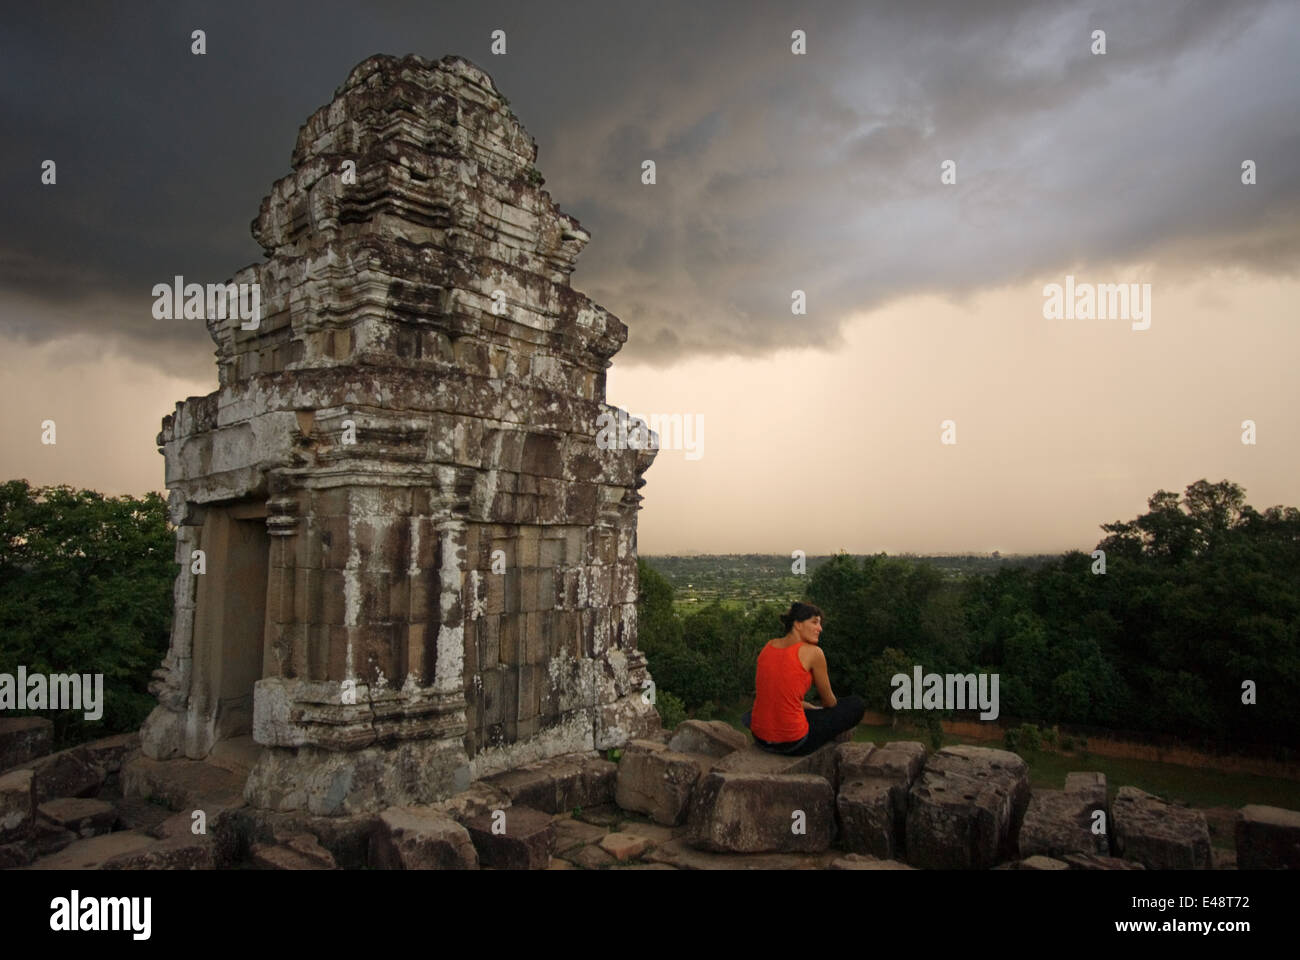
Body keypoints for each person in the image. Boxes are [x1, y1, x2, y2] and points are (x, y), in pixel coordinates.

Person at [741, 601, 865, 756]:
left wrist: (811, 708)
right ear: (798, 624)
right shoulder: (814, 653)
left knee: (767, 708)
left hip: (760, 738)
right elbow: (829, 702)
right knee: (856, 704)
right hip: (792, 744)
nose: (820, 628)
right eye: (815, 622)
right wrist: (819, 710)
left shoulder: (769, 646)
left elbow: (780, 696)